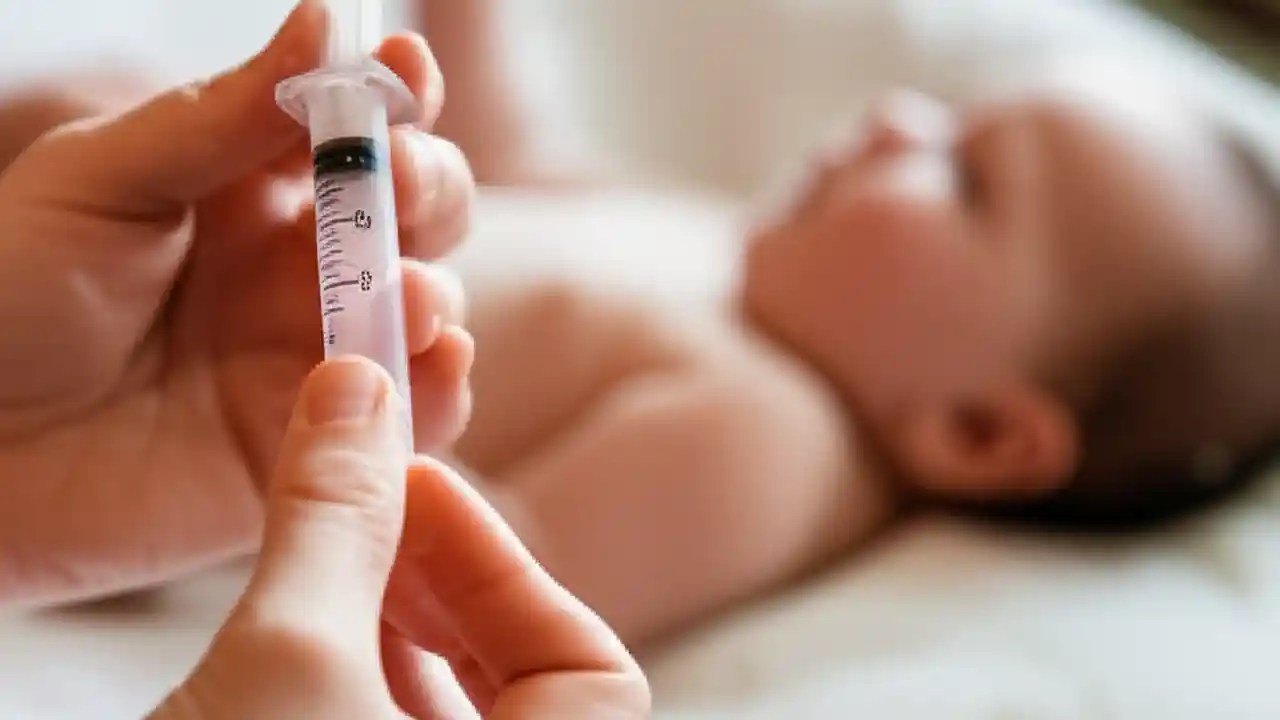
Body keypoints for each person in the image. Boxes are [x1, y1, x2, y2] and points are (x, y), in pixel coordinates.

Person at [0, 2, 650, 716]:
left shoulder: (770, 411)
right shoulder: (667, 223)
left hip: (261, 426)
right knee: (69, 106)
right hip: (244, 410)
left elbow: (537, 574)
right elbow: (505, 147)